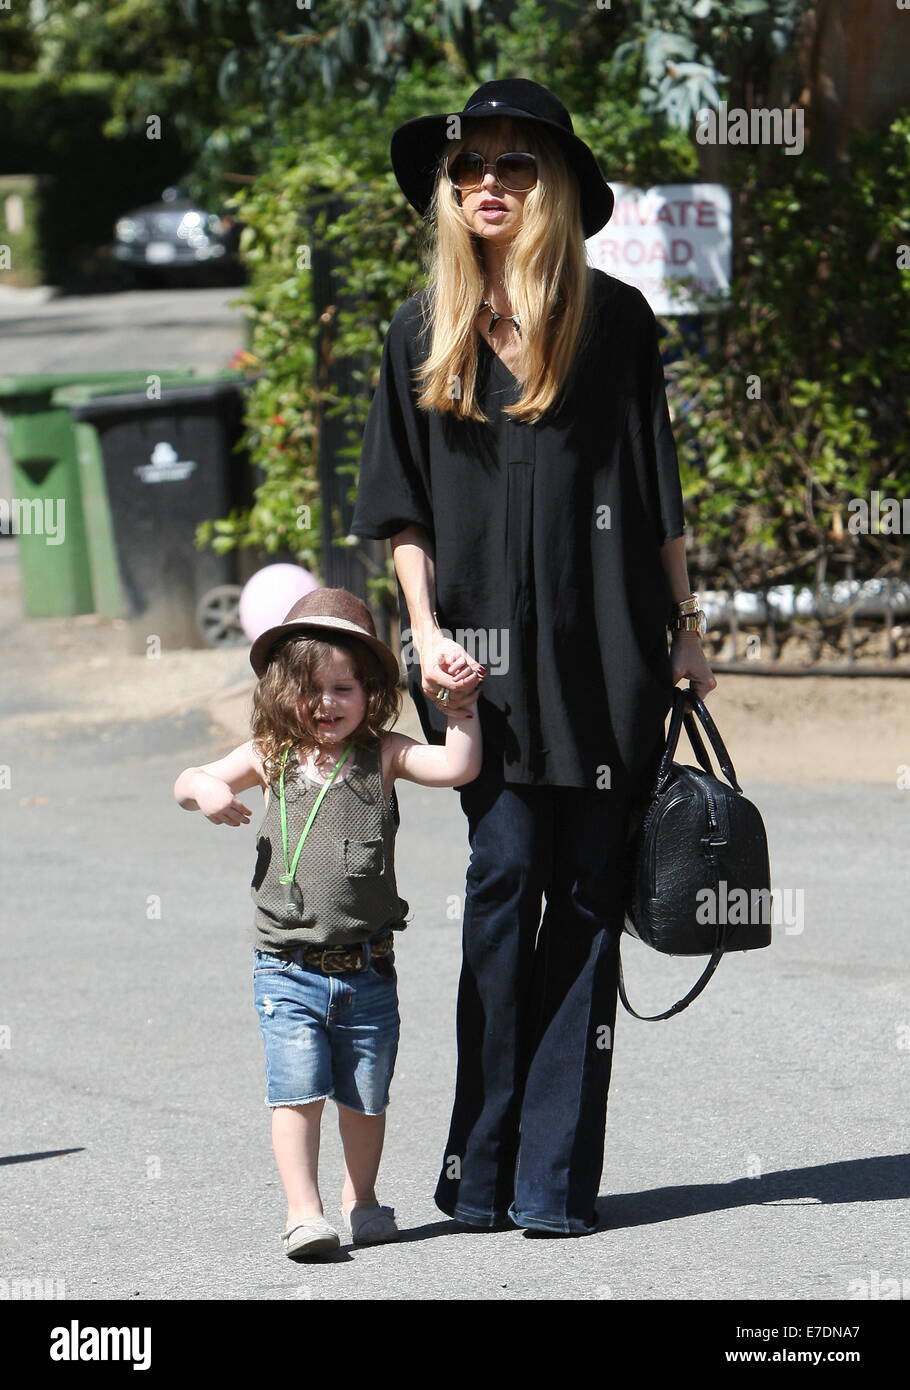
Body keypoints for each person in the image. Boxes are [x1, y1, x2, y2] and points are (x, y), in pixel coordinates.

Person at [350, 78, 718, 1235]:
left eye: (513, 165)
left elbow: (659, 501)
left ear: (551, 185)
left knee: (588, 902)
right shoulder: (422, 330)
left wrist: (689, 631)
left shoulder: (616, 324)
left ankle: (555, 1180)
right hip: (478, 673)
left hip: (608, 654)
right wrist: (425, 631)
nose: (488, 184)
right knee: (505, 891)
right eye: (470, 169)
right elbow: (399, 510)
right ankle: (480, 1164)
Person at [172, 587, 483, 1259]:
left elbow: (459, 766)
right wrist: (208, 789)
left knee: (366, 1100)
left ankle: (362, 1199)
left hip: (368, 968)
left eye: (344, 688)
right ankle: (304, 1213)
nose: (327, 703)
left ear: (371, 691)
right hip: (286, 971)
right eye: (311, 689)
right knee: (296, 1094)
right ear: (284, 691)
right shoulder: (268, 755)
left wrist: (460, 711)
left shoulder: (385, 754)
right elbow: (187, 778)